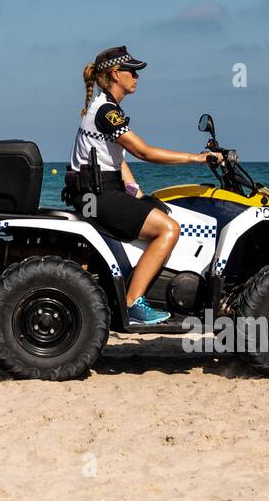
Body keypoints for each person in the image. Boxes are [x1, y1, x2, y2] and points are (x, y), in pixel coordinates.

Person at [65, 46, 222, 325]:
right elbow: (144, 153)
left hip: (98, 191)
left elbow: (114, 158)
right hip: (98, 195)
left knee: (160, 209)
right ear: (116, 74)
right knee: (168, 228)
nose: (137, 77)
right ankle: (133, 303)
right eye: (133, 71)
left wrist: (133, 187)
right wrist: (196, 158)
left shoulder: (104, 108)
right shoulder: (106, 112)